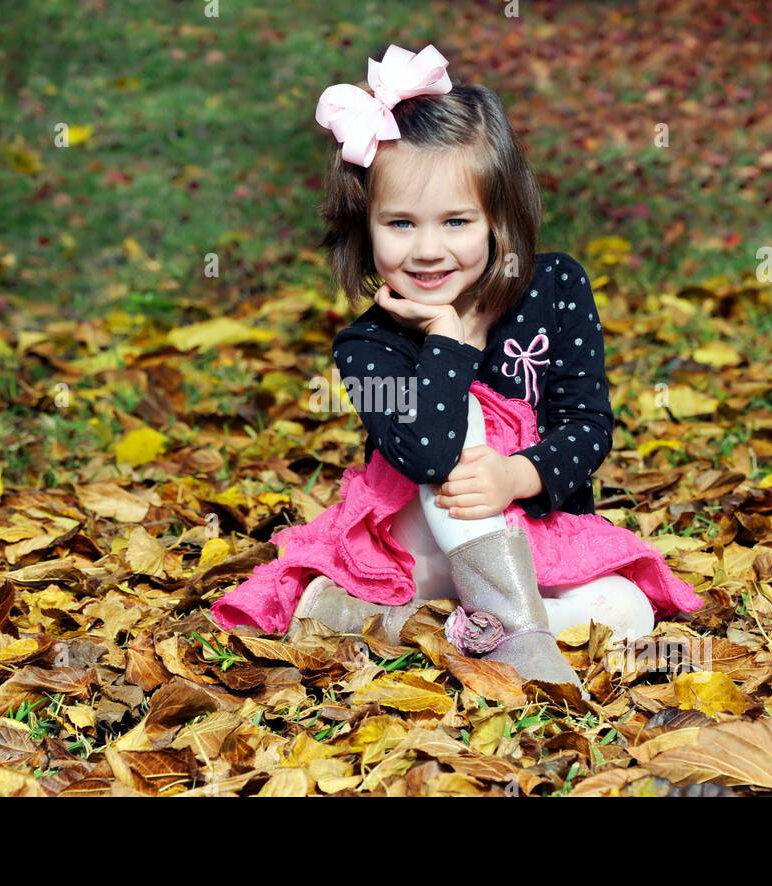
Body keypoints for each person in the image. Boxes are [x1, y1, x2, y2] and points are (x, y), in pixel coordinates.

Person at [209, 44, 702, 693]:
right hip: (411, 551)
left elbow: (587, 425)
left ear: (499, 216)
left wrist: (516, 475)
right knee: (462, 411)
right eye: (402, 223)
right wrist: (448, 338)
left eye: (457, 221)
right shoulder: (369, 345)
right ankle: (516, 635)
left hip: (527, 530)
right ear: (368, 224)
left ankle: (434, 626)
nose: (429, 249)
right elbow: (431, 456)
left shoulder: (555, 287)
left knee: (626, 613)